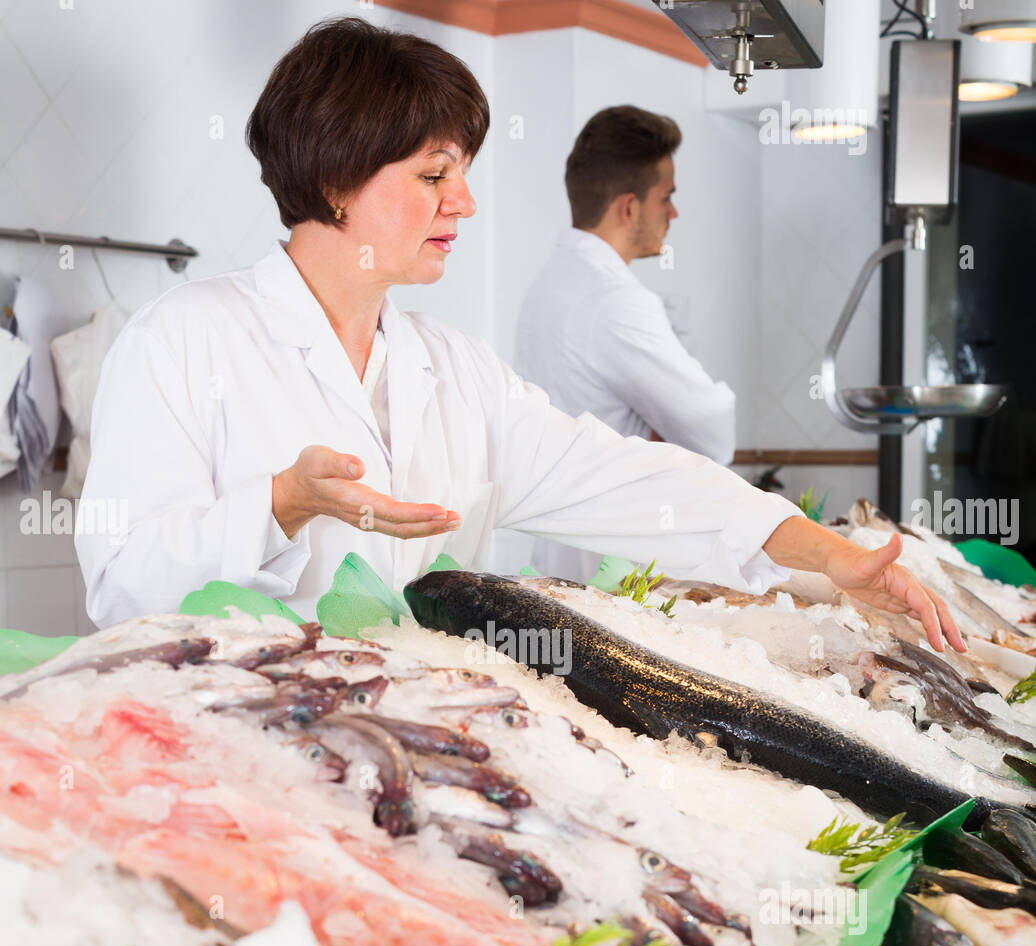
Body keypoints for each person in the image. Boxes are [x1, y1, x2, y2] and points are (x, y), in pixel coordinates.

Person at [76, 18, 964, 656]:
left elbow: (629, 478)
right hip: (220, 762)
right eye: (434, 174)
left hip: (390, 756)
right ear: (337, 178)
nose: (462, 202)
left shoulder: (451, 369)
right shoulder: (182, 341)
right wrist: (280, 503)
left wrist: (834, 559)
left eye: (462, 173)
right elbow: (122, 593)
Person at [494, 105, 737, 581]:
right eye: (665, 197)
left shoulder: (551, 282)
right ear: (629, 208)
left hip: (566, 552)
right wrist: (653, 429)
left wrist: (648, 429)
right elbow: (714, 434)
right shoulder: (615, 300)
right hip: (614, 561)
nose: (673, 212)